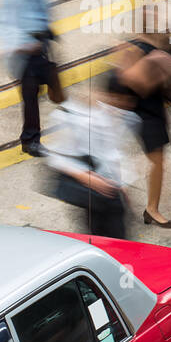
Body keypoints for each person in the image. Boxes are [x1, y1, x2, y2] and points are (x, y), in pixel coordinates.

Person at [44, 76, 140, 240]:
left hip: (110, 191)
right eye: (120, 101)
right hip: (93, 190)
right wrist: (86, 177)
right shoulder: (76, 117)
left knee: (116, 236)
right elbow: (55, 157)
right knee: (102, 235)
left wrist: (122, 185)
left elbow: (112, 153)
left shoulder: (124, 117)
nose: (125, 106)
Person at [116, 28, 171, 228]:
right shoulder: (138, 47)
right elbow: (137, 83)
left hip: (153, 110)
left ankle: (150, 208)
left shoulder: (159, 47)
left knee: (157, 162)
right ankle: (151, 209)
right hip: (143, 112)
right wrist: (158, 65)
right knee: (155, 162)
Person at [0, 0, 62, 157]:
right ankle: (30, 141)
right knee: (30, 96)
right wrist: (20, 44)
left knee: (53, 91)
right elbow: (2, 22)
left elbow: (43, 12)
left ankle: (71, 129)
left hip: (41, 47)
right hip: (23, 54)